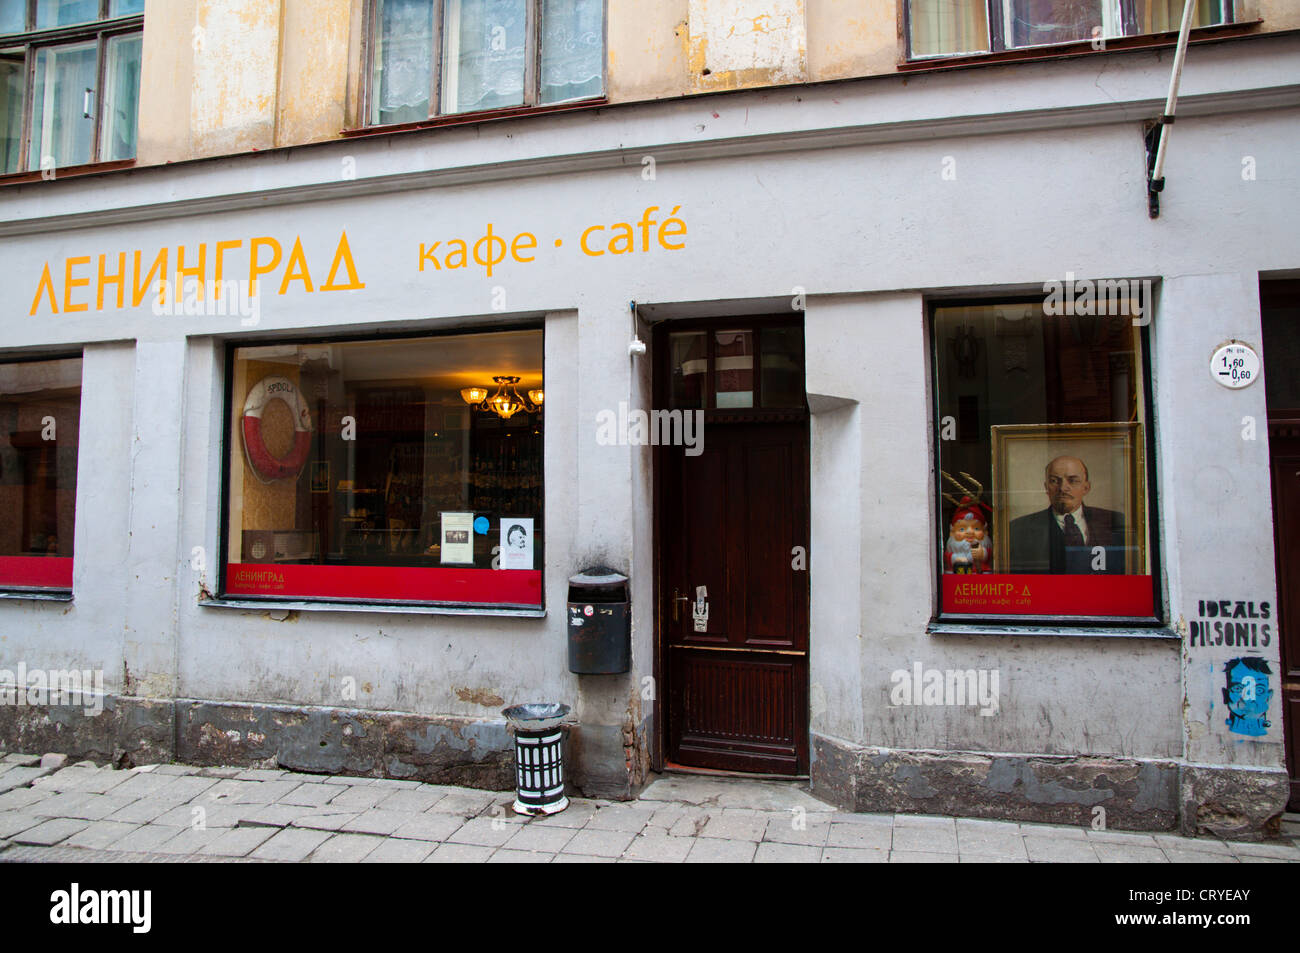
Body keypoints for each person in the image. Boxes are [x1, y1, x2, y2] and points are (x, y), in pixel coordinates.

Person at [1007, 455, 1126, 574]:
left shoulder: (1114, 521)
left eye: (1073, 480)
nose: (1063, 488)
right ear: (1046, 487)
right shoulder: (1017, 530)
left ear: (1086, 487)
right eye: (1054, 481)